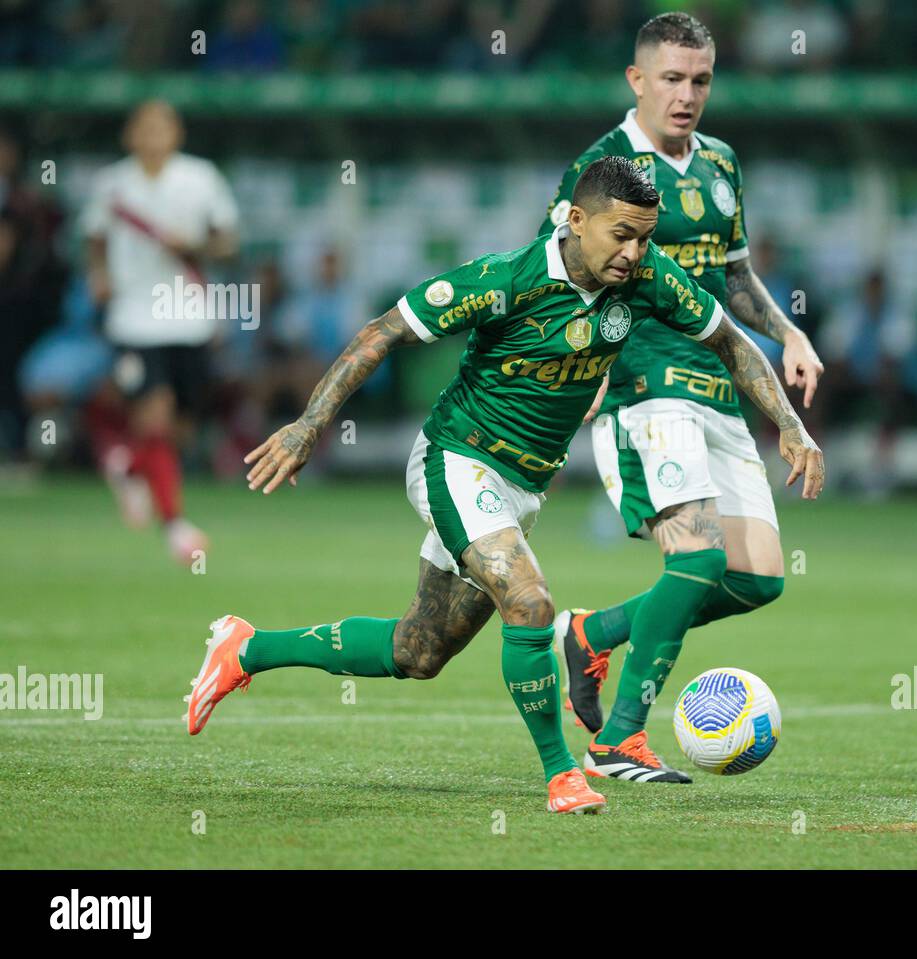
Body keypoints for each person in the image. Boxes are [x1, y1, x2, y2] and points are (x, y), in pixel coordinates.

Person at [185, 156, 824, 814]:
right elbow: (383, 332)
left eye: (645, 237)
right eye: (621, 235)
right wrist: (309, 425)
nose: (635, 253)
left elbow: (729, 340)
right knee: (530, 601)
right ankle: (563, 774)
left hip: (522, 487)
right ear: (576, 221)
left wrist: (790, 426)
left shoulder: (649, 277)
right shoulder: (505, 280)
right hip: (457, 459)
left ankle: (247, 647)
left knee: (419, 648)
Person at [537, 12, 824, 779]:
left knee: (759, 575)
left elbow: (732, 276)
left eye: (700, 79)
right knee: (695, 560)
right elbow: (556, 277)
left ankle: (593, 634)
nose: (687, 94)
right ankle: (618, 739)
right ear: (637, 80)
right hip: (642, 389)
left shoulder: (722, 163)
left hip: (717, 386)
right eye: (671, 78)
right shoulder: (600, 170)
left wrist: (788, 334)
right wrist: (581, 364)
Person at [82, 100, 239, 561]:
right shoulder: (112, 183)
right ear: (130, 136)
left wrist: (194, 244)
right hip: (134, 318)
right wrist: (99, 275)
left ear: (176, 134)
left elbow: (227, 242)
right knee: (156, 415)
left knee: (180, 429)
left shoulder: (201, 177)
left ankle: (127, 467)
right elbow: (95, 239)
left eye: (161, 128)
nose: (151, 136)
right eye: (143, 128)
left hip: (189, 318)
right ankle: (176, 527)